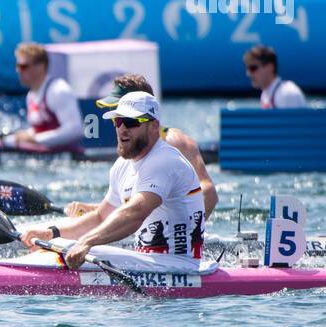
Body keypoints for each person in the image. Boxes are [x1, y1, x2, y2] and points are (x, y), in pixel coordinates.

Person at [20, 92, 205, 273]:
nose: (122, 129)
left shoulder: (164, 160)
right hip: (149, 263)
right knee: (58, 244)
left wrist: (86, 242)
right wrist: (51, 233)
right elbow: (101, 217)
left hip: (181, 266)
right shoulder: (122, 165)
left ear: (154, 126)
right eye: (118, 121)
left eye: (131, 122)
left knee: (72, 250)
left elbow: (135, 213)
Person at [64, 74, 217, 218]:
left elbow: (208, 190)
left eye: (121, 109)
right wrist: (93, 210)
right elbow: (132, 204)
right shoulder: (131, 149)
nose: (116, 116)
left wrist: (192, 230)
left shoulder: (175, 142)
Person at [8, 43, 83, 151]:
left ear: (41, 67)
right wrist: (22, 137)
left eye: (23, 66)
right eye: (17, 66)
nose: (18, 71)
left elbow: (75, 130)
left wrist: (35, 139)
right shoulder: (31, 96)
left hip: (69, 161)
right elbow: (42, 131)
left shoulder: (58, 90)